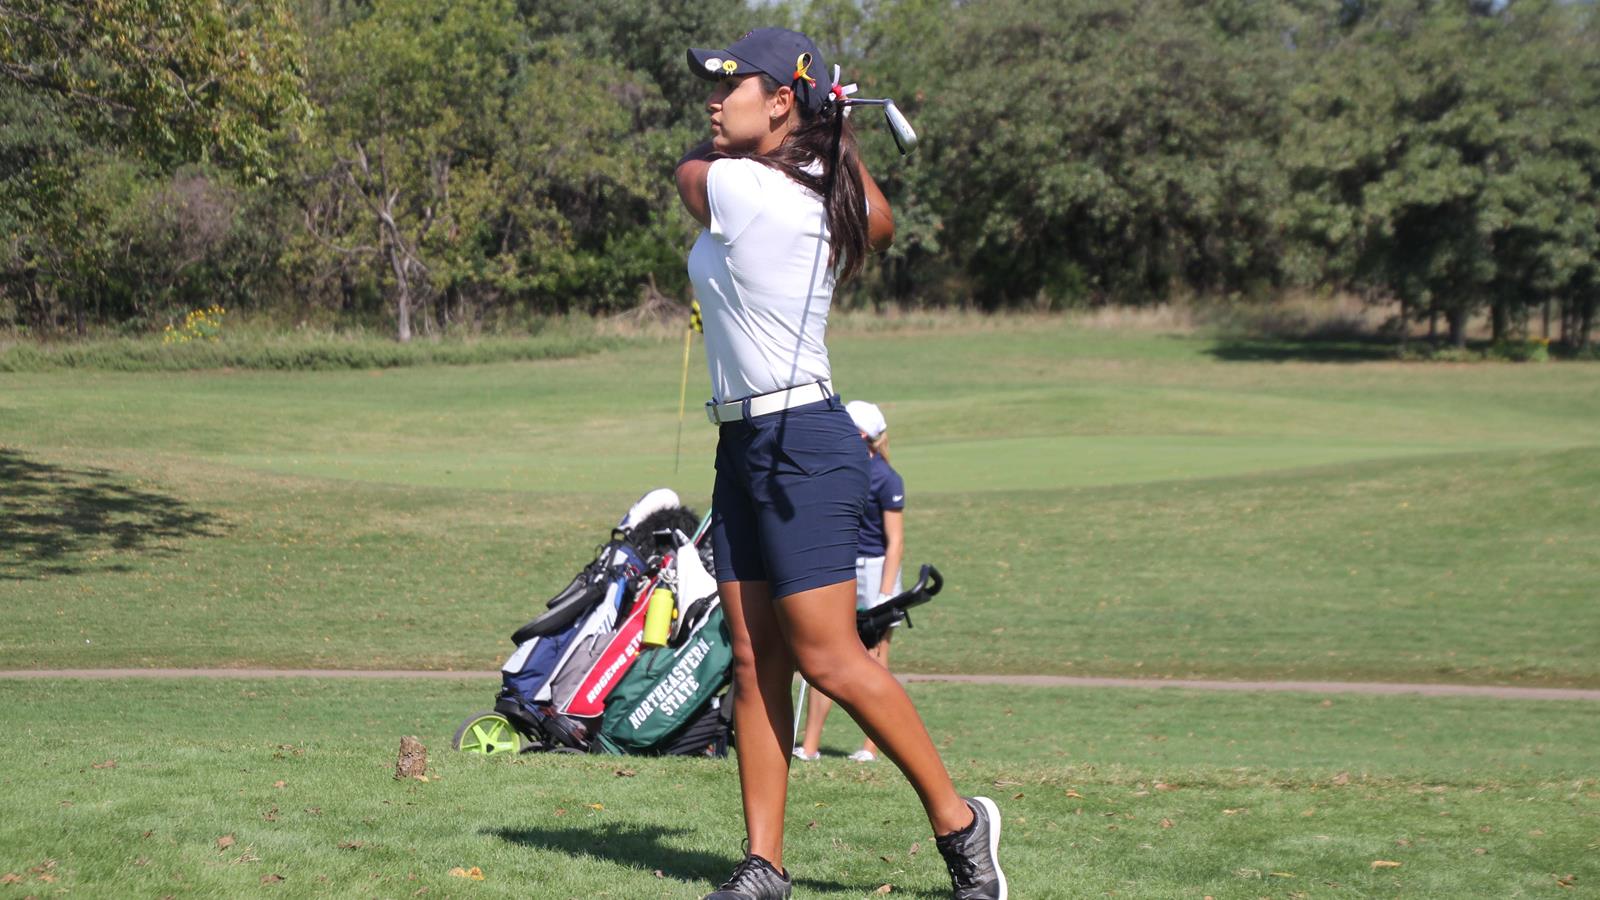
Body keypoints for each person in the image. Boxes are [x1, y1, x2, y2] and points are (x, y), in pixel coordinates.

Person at [675, 27, 1007, 900]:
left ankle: (962, 825)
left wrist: (823, 127)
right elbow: (882, 219)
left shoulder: (745, 185)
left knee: (827, 658)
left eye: (730, 86)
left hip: (805, 447)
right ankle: (765, 866)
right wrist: (832, 130)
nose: (712, 102)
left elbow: (686, 178)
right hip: (743, 444)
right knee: (753, 661)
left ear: (781, 100)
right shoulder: (812, 183)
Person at [794, 399, 903, 764]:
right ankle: (809, 746)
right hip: (841, 563)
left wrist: (885, 594)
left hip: (876, 572)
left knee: (875, 658)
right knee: (825, 651)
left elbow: (895, 542)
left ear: (860, 435)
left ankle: (871, 747)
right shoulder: (838, 469)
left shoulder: (887, 478)